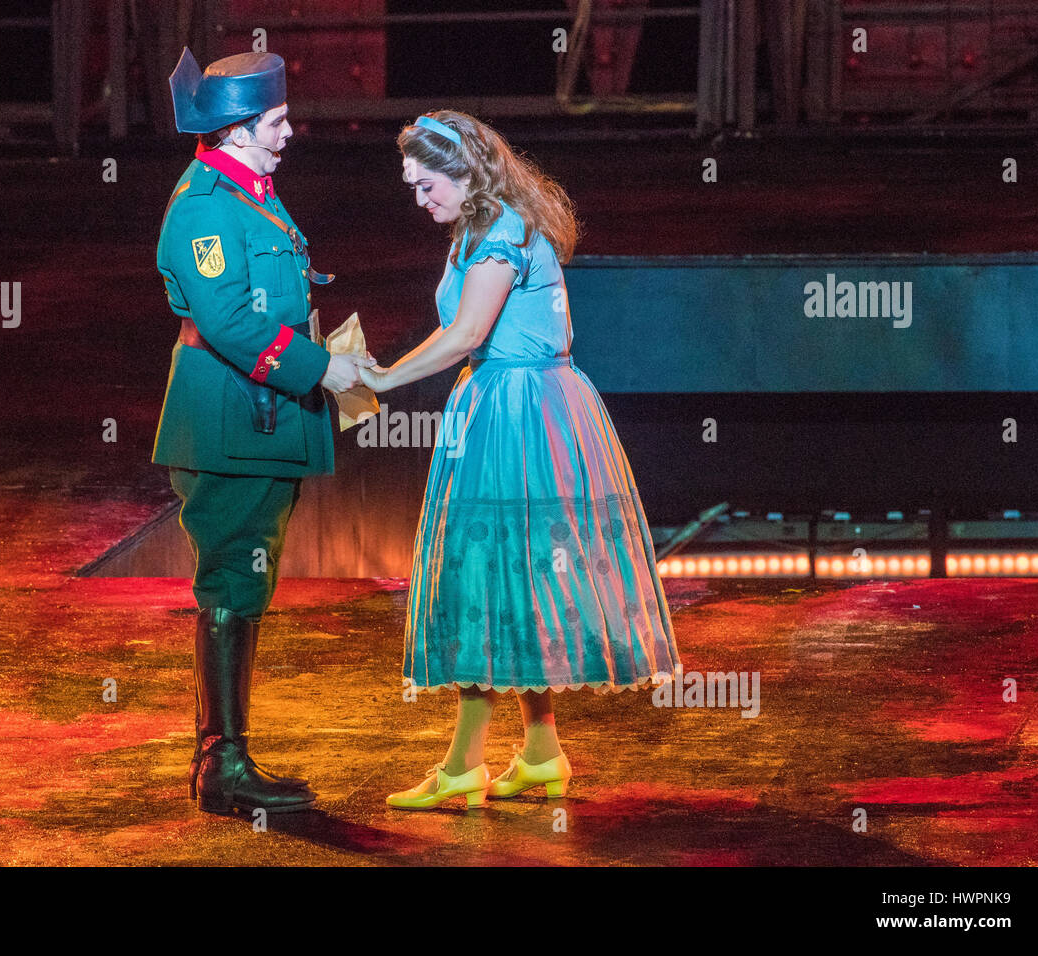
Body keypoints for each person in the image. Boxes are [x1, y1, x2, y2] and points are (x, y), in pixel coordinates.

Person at [359, 111, 683, 810]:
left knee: (488, 580)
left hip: (523, 412)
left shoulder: (502, 229)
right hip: (501, 404)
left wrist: (382, 379)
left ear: (465, 171)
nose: (420, 199)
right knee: (516, 579)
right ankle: (540, 751)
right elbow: (465, 334)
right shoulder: (478, 228)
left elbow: (468, 332)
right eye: (413, 187)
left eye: (426, 184)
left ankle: (461, 765)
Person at [152, 48, 372, 816]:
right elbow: (229, 321)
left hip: (257, 417)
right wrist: (319, 369)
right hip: (229, 422)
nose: (288, 133)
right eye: (276, 122)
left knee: (248, 576)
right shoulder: (208, 207)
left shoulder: (252, 193)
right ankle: (222, 763)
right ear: (240, 129)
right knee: (233, 578)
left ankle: (226, 754)